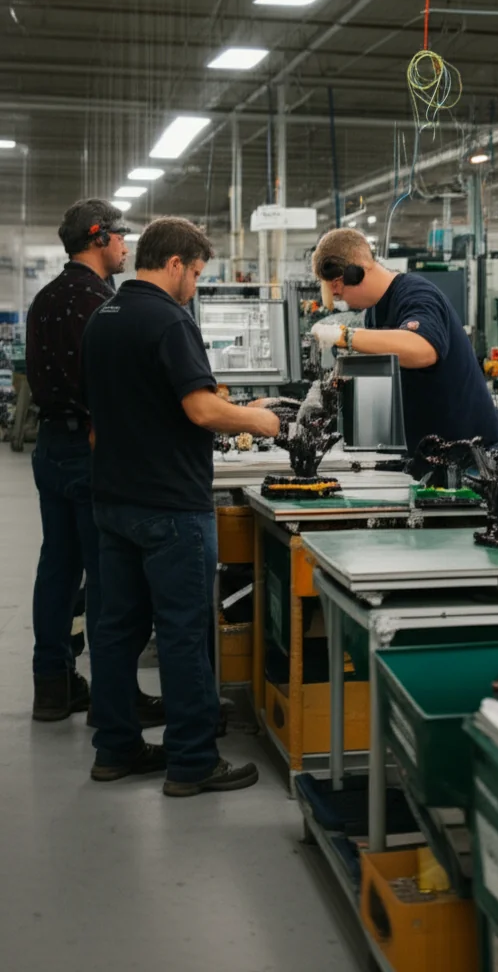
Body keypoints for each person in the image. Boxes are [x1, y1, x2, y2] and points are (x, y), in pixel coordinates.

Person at [81, 217, 280, 795]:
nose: (194, 284)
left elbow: (103, 421)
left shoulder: (103, 319)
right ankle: (192, 761)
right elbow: (201, 411)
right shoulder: (170, 320)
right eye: (194, 273)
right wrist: (260, 419)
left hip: (113, 500)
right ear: (174, 265)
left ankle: (115, 749)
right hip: (171, 507)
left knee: (116, 631)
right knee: (184, 631)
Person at [25, 199, 163, 725]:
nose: (127, 246)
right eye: (121, 237)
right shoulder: (104, 303)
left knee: (57, 568)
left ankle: (53, 686)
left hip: (50, 450)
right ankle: (116, 698)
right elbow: (113, 386)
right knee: (109, 580)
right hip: (90, 451)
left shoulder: (44, 299)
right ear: (98, 237)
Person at [310, 229, 498, 451]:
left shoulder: (416, 294)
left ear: (355, 274)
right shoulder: (374, 312)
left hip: (467, 455)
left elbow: (423, 349)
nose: (339, 298)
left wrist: (344, 336)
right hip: (430, 454)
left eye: (338, 291)